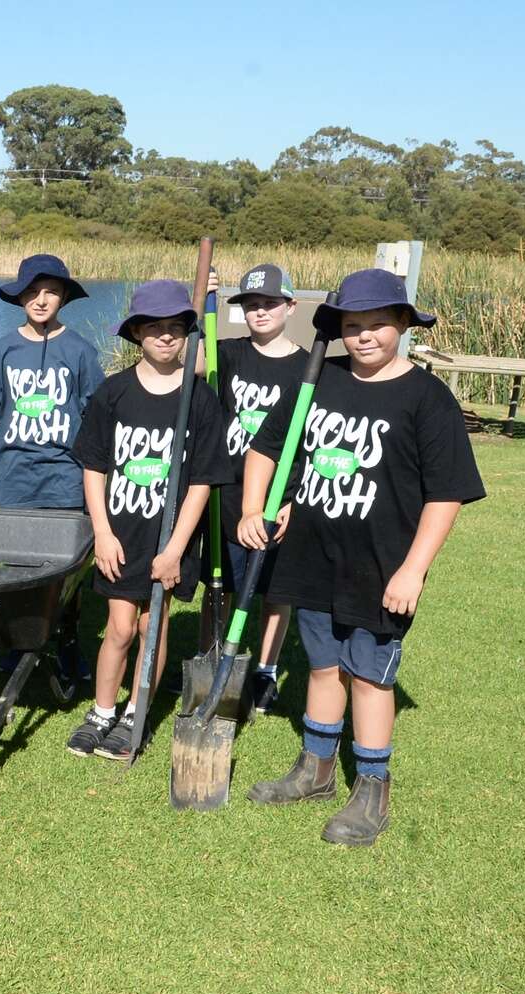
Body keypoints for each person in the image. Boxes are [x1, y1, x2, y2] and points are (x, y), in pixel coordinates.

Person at [241, 269, 484, 847]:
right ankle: (315, 767)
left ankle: (372, 786)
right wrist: (255, 508)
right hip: (313, 555)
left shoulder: (427, 398)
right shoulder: (316, 380)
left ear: (403, 324)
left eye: (378, 324)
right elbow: (266, 446)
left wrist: (413, 569)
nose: (364, 336)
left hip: (382, 568)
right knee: (322, 664)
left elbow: (446, 492)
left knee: (368, 676)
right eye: (352, 325)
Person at [67, 280, 228, 760]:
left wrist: (176, 548)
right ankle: (101, 712)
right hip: (120, 532)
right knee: (118, 626)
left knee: (149, 626)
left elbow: (201, 481)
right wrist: (101, 531)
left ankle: (136, 711)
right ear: (136, 333)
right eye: (154, 328)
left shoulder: (199, 400)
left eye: (175, 328)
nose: (164, 337)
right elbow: (94, 466)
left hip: (169, 539)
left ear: (187, 335)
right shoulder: (113, 393)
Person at [0, 254, 105, 679]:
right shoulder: (2, 350)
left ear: (63, 298)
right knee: (16, 560)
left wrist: (99, 470)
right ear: (21, 296)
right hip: (15, 476)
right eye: (33, 292)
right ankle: (14, 640)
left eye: (51, 292)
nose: (42, 300)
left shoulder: (79, 350)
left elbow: (95, 416)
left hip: (65, 476)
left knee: (66, 568)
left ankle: (67, 641)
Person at [208, 264, 309, 713]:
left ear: (291, 306)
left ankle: (265, 672)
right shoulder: (227, 354)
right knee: (223, 583)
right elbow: (187, 357)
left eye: (269, 303)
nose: (260, 312)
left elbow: (314, 440)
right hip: (227, 489)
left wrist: (291, 500)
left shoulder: (310, 368)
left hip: (279, 496)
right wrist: (199, 303)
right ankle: (214, 661)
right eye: (251, 305)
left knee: (273, 591)